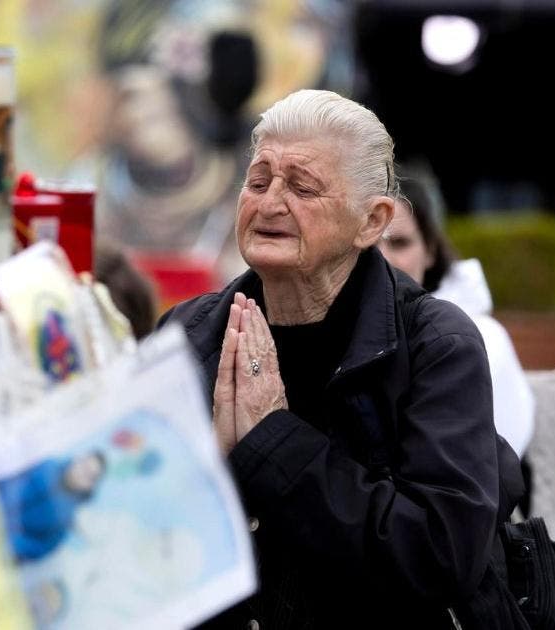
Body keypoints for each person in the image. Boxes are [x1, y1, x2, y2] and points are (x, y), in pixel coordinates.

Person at [160, 90, 520, 628]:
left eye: (302, 187)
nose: (270, 203)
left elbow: (442, 555)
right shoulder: (189, 334)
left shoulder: (435, 344)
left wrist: (273, 441)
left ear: (371, 222)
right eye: (257, 181)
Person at [381, 167, 535, 457]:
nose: (383, 258)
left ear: (430, 250)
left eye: (399, 243)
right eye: (370, 243)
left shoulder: (481, 337)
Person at [0, 450, 107, 562]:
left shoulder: (65, 520)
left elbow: (40, 548)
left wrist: (11, 543)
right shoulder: (47, 465)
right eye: (84, 465)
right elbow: (10, 473)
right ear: (77, 460)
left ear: (90, 486)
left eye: (89, 476)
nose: (82, 473)